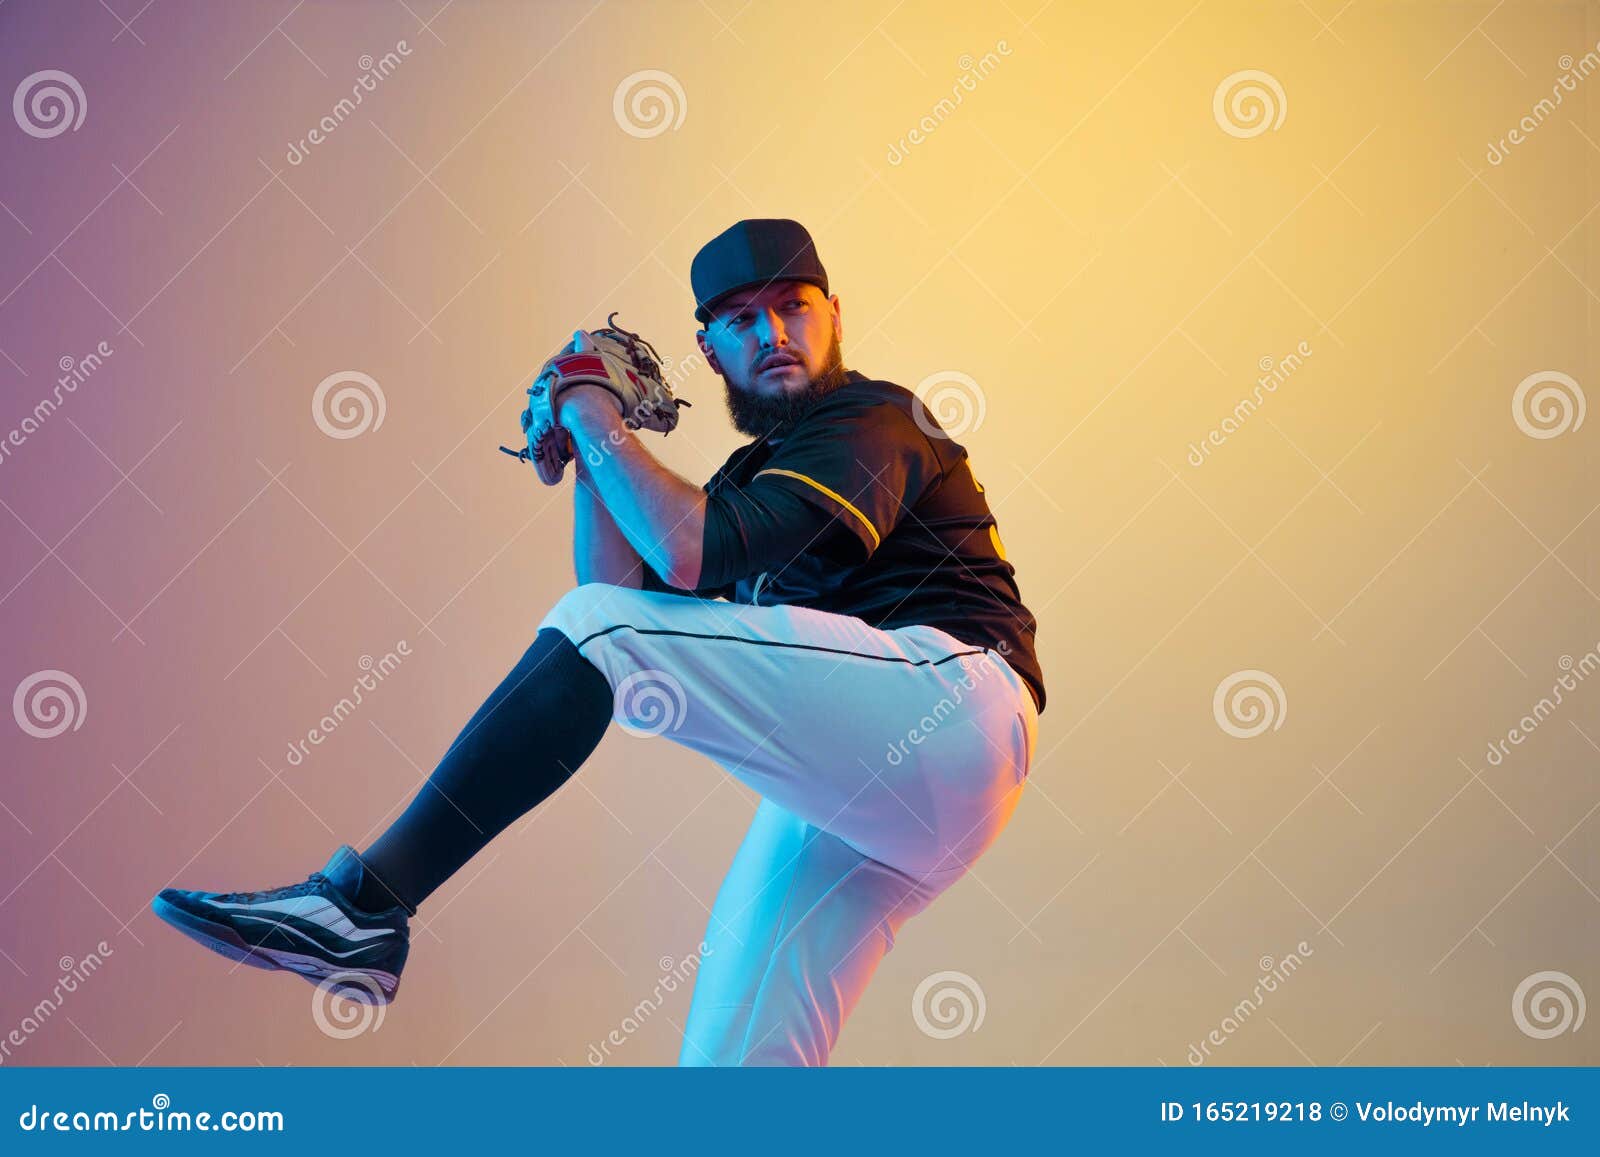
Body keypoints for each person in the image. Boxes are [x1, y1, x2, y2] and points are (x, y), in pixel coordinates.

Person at [152, 218, 1046, 1066]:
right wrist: (594, 451)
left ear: (834, 315)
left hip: (955, 708)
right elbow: (618, 602)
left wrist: (588, 411)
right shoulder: (750, 479)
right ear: (709, 351)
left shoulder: (874, 418)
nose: (773, 333)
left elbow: (662, 575)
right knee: (730, 1078)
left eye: (793, 306)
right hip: (877, 811)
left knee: (599, 631)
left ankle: (365, 904)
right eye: (742, 319)